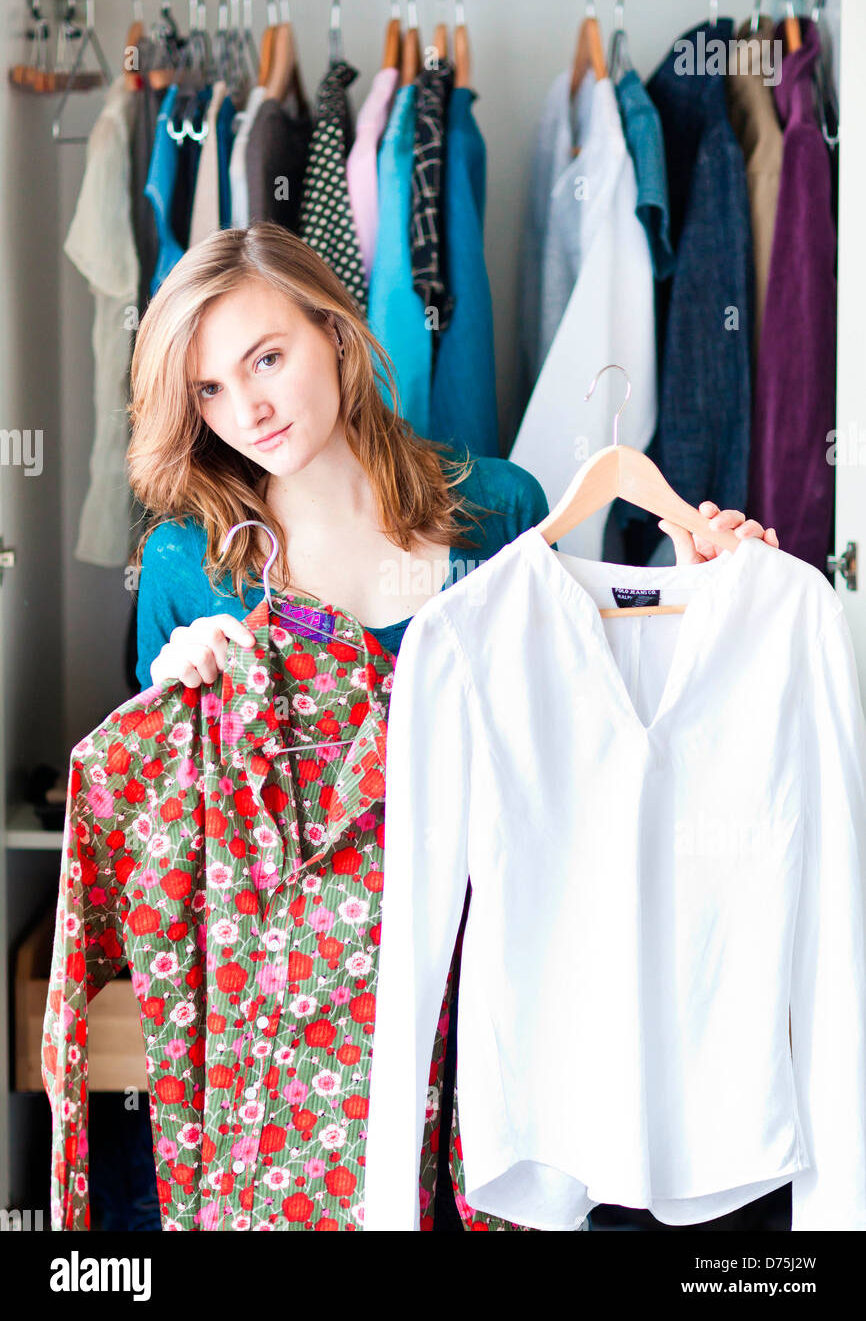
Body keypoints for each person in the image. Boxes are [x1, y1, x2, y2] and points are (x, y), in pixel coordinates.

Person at [127, 221, 780, 1231]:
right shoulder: (187, 565)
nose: (245, 408)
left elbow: (602, 736)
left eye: (266, 357)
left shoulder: (498, 508)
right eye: (208, 388)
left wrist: (706, 604)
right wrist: (169, 689)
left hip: (503, 977)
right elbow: (164, 834)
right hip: (305, 1023)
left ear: (335, 334)